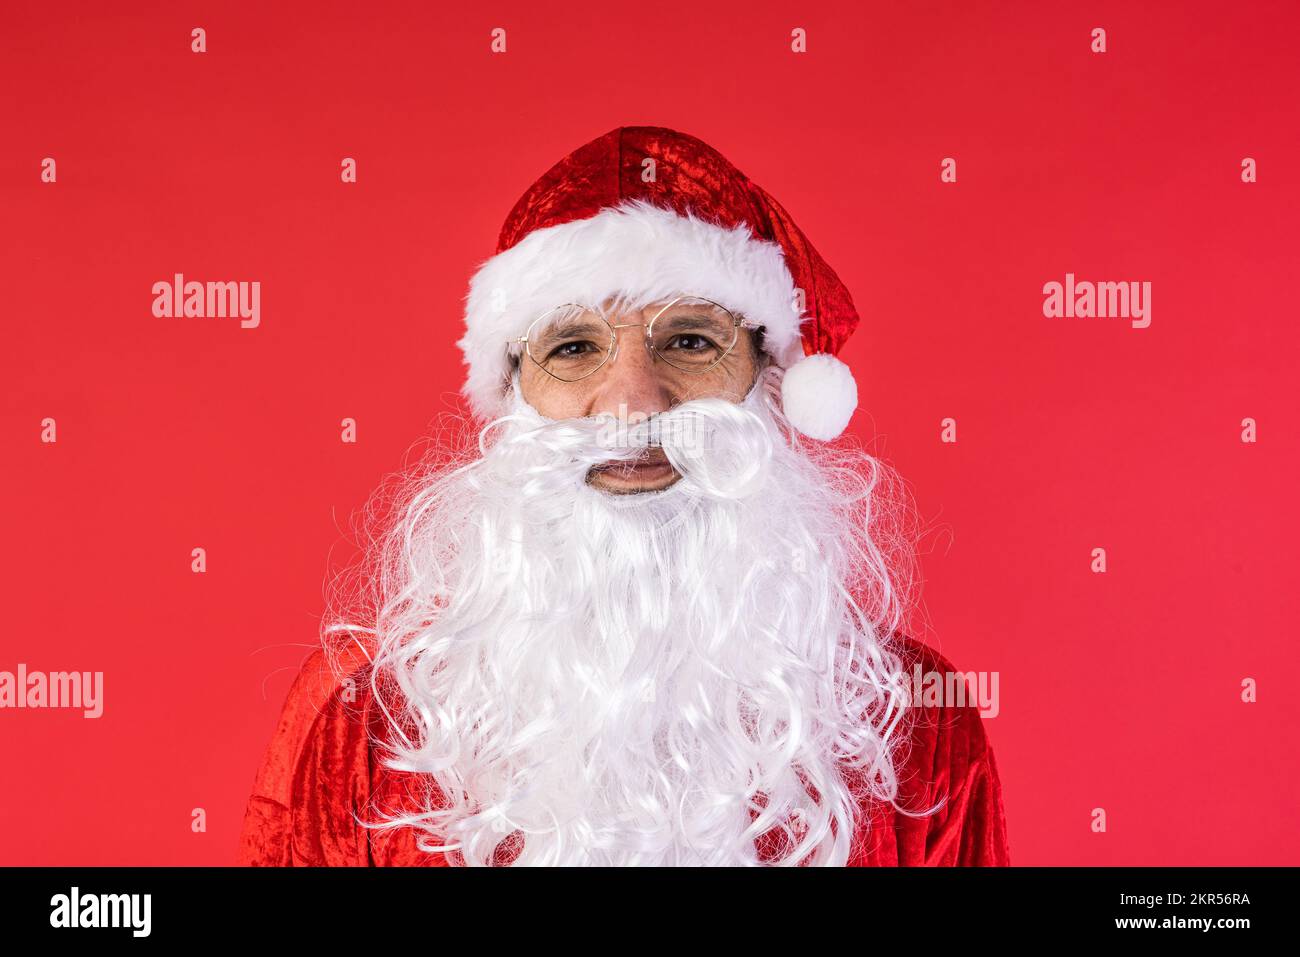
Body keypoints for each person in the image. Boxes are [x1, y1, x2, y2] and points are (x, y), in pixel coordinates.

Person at [237, 126, 1010, 867]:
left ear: (769, 388)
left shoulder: (919, 722)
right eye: (574, 348)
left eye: (690, 341)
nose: (633, 405)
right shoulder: (357, 718)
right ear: (514, 399)